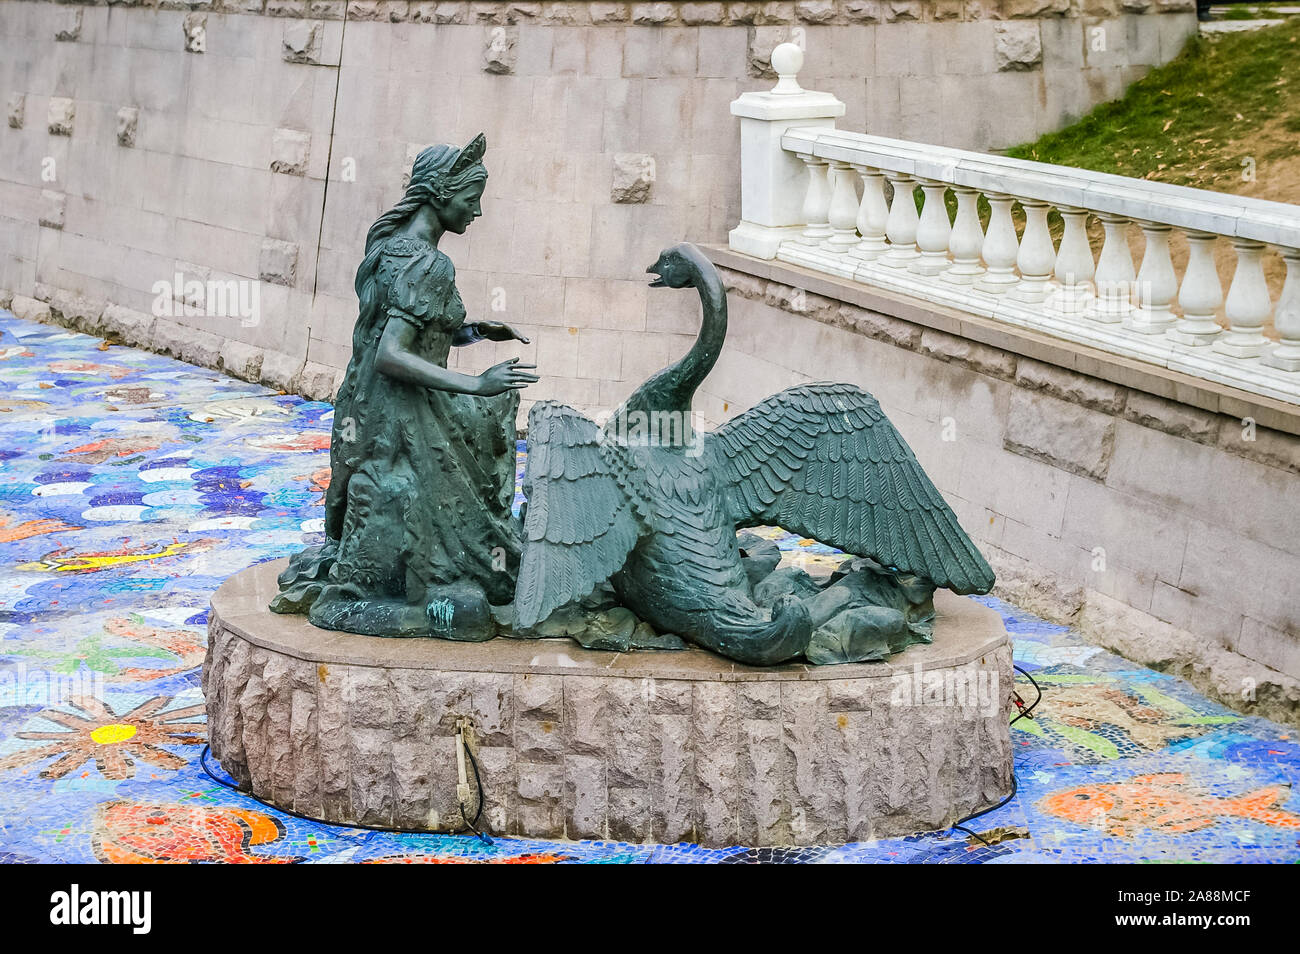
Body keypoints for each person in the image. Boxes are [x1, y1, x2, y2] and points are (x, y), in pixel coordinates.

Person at [271, 134, 538, 637]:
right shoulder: (429, 263)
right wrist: (477, 384)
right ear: (441, 196)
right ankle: (426, 587)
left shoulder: (393, 248)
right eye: (471, 198)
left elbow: (410, 331)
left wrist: (475, 331)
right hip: (405, 413)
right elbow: (391, 353)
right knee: (491, 418)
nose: (477, 211)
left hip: (369, 408)